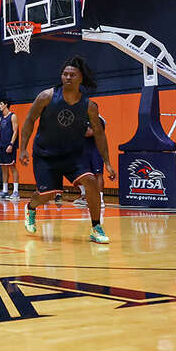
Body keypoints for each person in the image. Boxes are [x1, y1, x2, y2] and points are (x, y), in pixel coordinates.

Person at [19, 56, 115, 244]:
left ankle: (96, 227)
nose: (68, 77)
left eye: (72, 74)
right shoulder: (46, 97)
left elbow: (99, 134)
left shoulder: (89, 106)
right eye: (65, 74)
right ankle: (30, 207)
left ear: (81, 78)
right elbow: (30, 120)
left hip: (73, 155)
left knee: (91, 182)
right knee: (47, 195)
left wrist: (108, 163)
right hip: (46, 155)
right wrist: (22, 149)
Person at [74, 114, 108, 207]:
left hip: (96, 151)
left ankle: (99, 199)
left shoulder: (98, 119)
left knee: (98, 174)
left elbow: (89, 132)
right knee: (81, 174)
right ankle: (84, 196)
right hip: (83, 150)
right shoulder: (81, 117)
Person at [0, 99, 20, 201]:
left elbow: (15, 131)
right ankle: (5, 190)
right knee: (3, 168)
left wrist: (11, 144)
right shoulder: (1, 118)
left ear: (6, 105)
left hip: (9, 146)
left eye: (1, 104)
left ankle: (16, 191)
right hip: (2, 146)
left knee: (12, 167)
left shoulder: (12, 116)